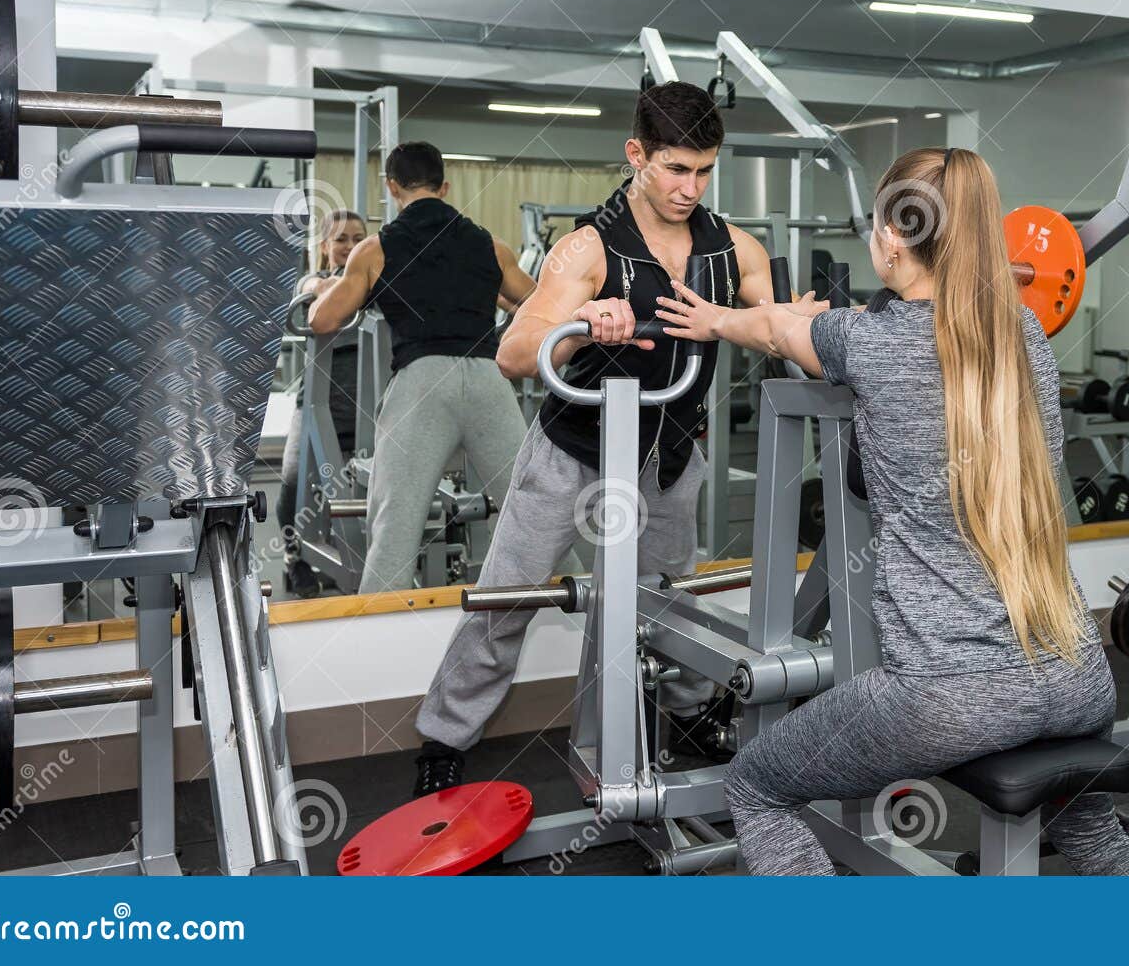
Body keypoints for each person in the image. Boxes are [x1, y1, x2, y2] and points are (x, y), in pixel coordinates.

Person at [657, 146, 1129, 876]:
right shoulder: (1024, 334)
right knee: (1094, 838)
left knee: (757, 786)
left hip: (949, 696)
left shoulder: (869, 342)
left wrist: (715, 320)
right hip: (1079, 675)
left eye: (875, 224)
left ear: (894, 237)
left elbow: (773, 332)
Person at [410, 81, 777, 797]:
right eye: (675, 168)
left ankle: (691, 716)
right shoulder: (587, 247)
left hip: (669, 457)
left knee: (668, 604)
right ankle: (444, 739)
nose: (690, 187)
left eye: (704, 170)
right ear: (636, 154)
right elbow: (517, 352)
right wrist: (580, 327)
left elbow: (785, 326)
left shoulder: (734, 247)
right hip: (572, 452)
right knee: (507, 601)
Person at [309, 141, 535, 594]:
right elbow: (537, 302)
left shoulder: (375, 249)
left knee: (394, 529)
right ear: (444, 185)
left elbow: (324, 319)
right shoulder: (489, 244)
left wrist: (321, 284)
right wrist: (484, 295)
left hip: (422, 382)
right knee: (530, 513)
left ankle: (380, 644)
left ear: (393, 187)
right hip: (489, 378)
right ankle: (577, 627)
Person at [278, 209, 366, 597]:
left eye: (358, 238)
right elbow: (312, 286)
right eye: (341, 239)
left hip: (366, 404)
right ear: (325, 246)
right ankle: (294, 560)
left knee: (352, 490)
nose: (350, 246)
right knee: (295, 483)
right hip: (316, 403)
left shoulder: (376, 287)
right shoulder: (315, 283)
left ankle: (346, 559)